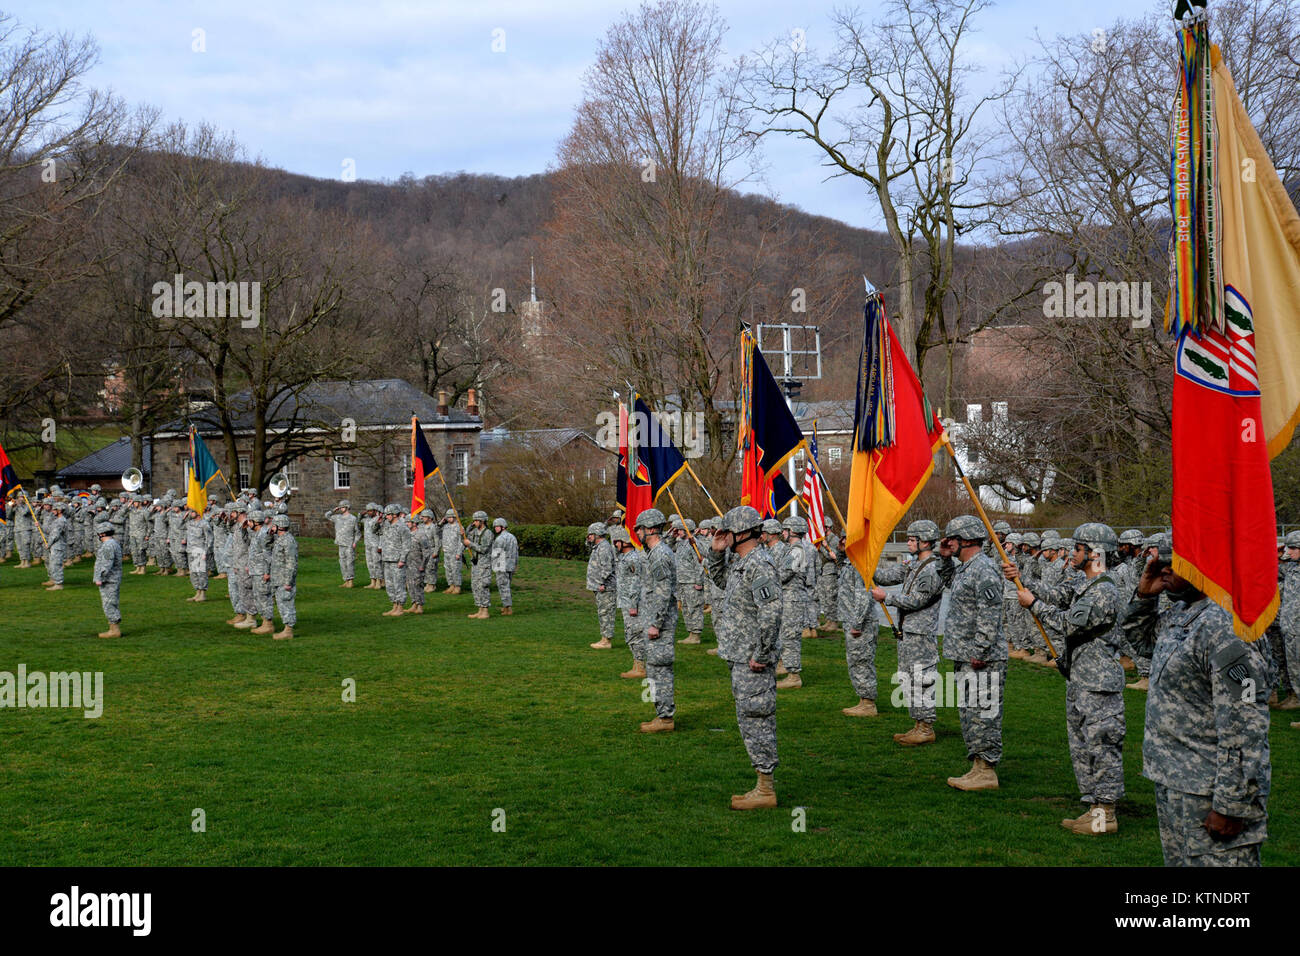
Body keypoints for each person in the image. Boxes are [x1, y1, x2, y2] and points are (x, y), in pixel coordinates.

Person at [1120, 537, 1272, 866]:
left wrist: (1232, 803)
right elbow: (1141, 642)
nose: (1164, 572)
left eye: (1174, 564)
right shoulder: (1183, 612)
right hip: (1176, 780)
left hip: (1210, 789)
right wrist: (1144, 599)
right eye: (1161, 564)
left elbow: (1245, 721)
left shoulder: (1226, 627)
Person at [1007, 523, 1125, 834]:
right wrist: (1019, 578)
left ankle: (1106, 816)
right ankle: (1093, 808)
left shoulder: (1103, 591)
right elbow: (1056, 594)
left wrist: (1032, 605)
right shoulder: (1084, 585)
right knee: (1083, 748)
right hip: (1080, 678)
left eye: (1077, 548)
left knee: (1102, 747)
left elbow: (1067, 623)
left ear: (1094, 553)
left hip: (1098, 683)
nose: (1072, 553)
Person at [705, 505, 782, 809]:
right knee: (748, 718)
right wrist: (715, 552)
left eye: (728, 532)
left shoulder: (759, 564)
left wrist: (762, 654)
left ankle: (766, 790)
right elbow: (720, 581)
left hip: (753, 659)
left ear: (742, 533)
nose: (724, 536)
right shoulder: (742, 563)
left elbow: (772, 612)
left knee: (757, 718)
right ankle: (762, 785)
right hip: (741, 655)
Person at [940, 514, 1007, 792]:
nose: (948, 543)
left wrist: (981, 649)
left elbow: (989, 614)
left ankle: (987, 771)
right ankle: (978, 766)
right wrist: (944, 557)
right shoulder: (965, 568)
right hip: (967, 656)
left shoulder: (984, 569)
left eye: (951, 539)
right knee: (971, 715)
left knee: (984, 714)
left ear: (965, 539)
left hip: (983, 658)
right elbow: (946, 582)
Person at [871, 519, 948, 741]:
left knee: (922, 678)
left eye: (913, 539)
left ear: (925, 542)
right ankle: (917, 723)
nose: (909, 542)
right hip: (908, 632)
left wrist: (888, 598)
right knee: (908, 678)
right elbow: (886, 577)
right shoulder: (913, 565)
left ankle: (926, 727)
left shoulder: (932, 569)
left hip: (921, 634)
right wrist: (867, 565)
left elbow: (918, 600)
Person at [636, 508, 677, 733]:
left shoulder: (660, 554)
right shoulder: (655, 553)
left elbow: (663, 591)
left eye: (640, 529)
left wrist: (656, 624)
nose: (638, 533)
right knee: (652, 669)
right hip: (652, 620)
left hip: (659, 625)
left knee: (660, 670)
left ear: (650, 529)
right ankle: (658, 713)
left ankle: (665, 718)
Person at [839, 542, 879, 716]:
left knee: (861, 660)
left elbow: (863, 595)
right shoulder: (851, 562)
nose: (842, 543)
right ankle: (863, 699)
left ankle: (868, 704)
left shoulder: (860, 564)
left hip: (861, 624)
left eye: (845, 540)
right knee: (856, 661)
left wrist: (857, 623)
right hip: (853, 621)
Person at [776, 515, 812, 689]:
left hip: (793, 599)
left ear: (792, 531)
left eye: (785, 530)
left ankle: (794, 676)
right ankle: (787, 668)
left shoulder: (796, 550)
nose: (782, 533)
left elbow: (784, 574)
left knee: (790, 637)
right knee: (785, 635)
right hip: (788, 598)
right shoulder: (792, 549)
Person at [611, 526, 647, 678]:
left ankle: (641, 668)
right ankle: (637, 664)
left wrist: (633, 604)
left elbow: (636, 582)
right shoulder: (624, 557)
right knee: (631, 633)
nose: (614, 545)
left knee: (635, 633)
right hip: (626, 601)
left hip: (633, 603)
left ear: (623, 542)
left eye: (616, 542)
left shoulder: (633, 558)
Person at [674, 517, 706, 645]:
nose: (678, 533)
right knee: (686, 608)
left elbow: (699, 563)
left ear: (686, 530)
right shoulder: (681, 544)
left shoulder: (694, 544)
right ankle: (691, 633)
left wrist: (699, 581)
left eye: (681, 530)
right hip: (682, 581)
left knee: (694, 607)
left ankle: (696, 634)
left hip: (692, 581)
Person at [585, 522, 617, 648]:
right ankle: (604, 638)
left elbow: (607, 568)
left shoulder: (604, 548)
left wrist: (602, 583)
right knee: (603, 612)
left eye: (590, 534)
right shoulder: (598, 546)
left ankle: (606, 641)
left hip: (605, 587)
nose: (588, 537)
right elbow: (588, 546)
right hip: (599, 586)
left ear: (597, 534)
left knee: (606, 613)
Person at [91, 520, 123, 638]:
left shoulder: (108, 545)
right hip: (112, 578)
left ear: (102, 534)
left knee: (109, 603)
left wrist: (100, 577)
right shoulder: (112, 543)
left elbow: (106, 564)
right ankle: (113, 628)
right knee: (110, 602)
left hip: (109, 579)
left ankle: (114, 630)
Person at [248, 509, 278, 634]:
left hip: (262, 571)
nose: (248, 523)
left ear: (256, 522)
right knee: (258, 597)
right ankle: (264, 621)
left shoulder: (263, 534)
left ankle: (268, 624)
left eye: (250, 521)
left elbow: (267, 555)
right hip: (256, 570)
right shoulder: (257, 533)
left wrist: (266, 572)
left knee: (264, 597)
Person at [269, 514, 298, 640]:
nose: (271, 527)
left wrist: (288, 581)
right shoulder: (279, 539)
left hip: (284, 579)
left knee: (286, 604)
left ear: (279, 527)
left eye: (274, 525)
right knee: (281, 604)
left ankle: (288, 631)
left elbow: (291, 562)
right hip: (277, 578)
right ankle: (286, 629)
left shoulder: (288, 540)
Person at [463, 511, 495, 620]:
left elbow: (483, 549)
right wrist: (463, 533)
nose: (475, 523)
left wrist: (470, 544)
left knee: (483, 586)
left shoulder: (488, 533)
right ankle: (480, 610)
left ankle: (485, 611)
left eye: (476, 521)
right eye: (474, 521)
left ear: (482, 521)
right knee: (475, 586)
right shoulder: (475, 532)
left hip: (484, 564)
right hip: (475, 563)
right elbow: (466, 540)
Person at [379, 504, 409, 616]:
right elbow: (375, 530)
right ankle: (394, 606)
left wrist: (402, 559)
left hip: (397, 560)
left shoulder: (402, 527)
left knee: (398, 584)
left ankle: (400, 607)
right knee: (390, 585)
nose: (386, 517)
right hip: (387, 558)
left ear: (395, 514)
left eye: (388, 515)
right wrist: (379, 520)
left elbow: (406, 545)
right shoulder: (386, 525)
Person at [326, 501, 361, 588]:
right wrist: (334, 510)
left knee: (350, 562)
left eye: (342, 507)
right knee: (342, 562)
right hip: (340, 543)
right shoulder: (337, 517)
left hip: (349, 544)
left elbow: (358, 533)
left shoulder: (353, 518)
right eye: (340, 507)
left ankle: (351, 581)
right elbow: (327, 515)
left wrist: (355, 542)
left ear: (347, 507)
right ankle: (346, 580)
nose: (340, 508)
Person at [184, 506, 212, 602]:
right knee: (193, 573)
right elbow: (179, 526)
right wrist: (185, 517)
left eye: (192, 512)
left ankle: (203, 593)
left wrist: (205, 551)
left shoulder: (204, 524)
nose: (190, 513)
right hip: (190, 550)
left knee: (201, 572)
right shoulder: (190, 523)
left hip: (200, 550)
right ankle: (197, 592)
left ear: (198, 512)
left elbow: (209, 539)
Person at [491, 517, 518, 615]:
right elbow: (516, 553)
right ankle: (505, 606)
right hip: (511, 565)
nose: (495, 528)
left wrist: (492, 565)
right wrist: (515, 565)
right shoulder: (512, 537)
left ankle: (508, 608)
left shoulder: (500, 539)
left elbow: (496, 554)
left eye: (497, 527)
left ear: (502, 527)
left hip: (501, 565)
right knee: (507, 586)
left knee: (503, 587)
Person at [402, 513, 426, 615]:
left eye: (408, 522)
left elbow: (427, 552)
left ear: (414, 523)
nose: (406, 524)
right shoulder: (407, 535)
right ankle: (414, 604)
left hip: (418, 564)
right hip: (408, 563)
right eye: (406, 522)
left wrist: (423, 565)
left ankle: (420, 605)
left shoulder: (421, 535)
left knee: (417, 584)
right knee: (410, 584)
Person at [42, 501, 68, 591]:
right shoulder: (57, 520)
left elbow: (55, 535)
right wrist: (40, 526)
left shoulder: (61, 521)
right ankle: (55, 581)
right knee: (52, 564)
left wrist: (48, 544)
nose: (53, 511)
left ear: (59, 510)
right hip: (55, 545)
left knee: (56, 564)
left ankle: (59, 584)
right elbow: (50, 530)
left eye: (54, 510)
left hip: (58, 546)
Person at [440, 510, 465, 594]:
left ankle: (457, 586)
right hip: (447, 551)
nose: (449, 519)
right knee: (448, 569)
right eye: (447, 517)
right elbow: (437, 529)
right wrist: (441, 522)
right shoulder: (445, 526)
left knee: (455, 570)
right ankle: (451, 585)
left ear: (454, 517)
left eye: (450, 517)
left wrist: (459, 553)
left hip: (455, 552)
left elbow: (461, 542)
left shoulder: (459, 527)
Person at [362, 503, 383, 589]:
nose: (369, 512)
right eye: (368, 511)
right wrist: (362, 514)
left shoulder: (379, 519)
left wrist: (380, 546)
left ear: (375, 511)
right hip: (367, 544)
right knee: (369, 563)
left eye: (370, 511)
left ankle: (379, 582)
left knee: (377, 563)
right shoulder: (366, 519)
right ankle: (372, 582)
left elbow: (382, 534)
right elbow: (358, 520)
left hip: (375, 544)